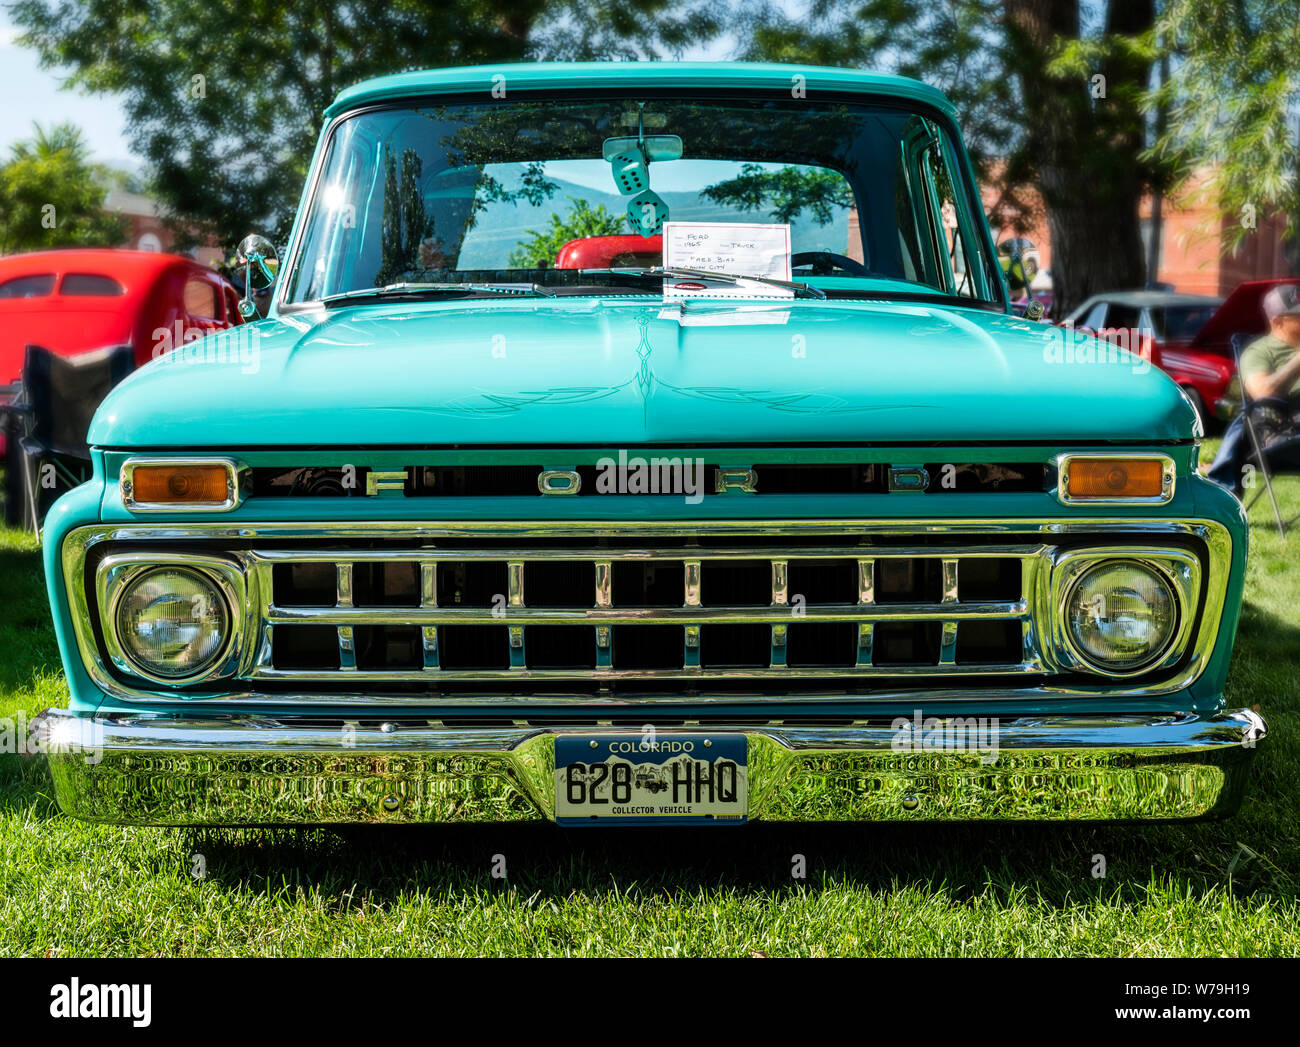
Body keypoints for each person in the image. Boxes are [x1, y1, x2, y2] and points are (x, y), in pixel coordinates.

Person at [1206, 283, 1300, 495]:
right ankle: (1223, 494)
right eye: (1298, 316)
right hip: (1287, 431)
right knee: (1246, 417)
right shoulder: (1259, 352)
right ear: (1278, 322)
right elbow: (1263, 392)